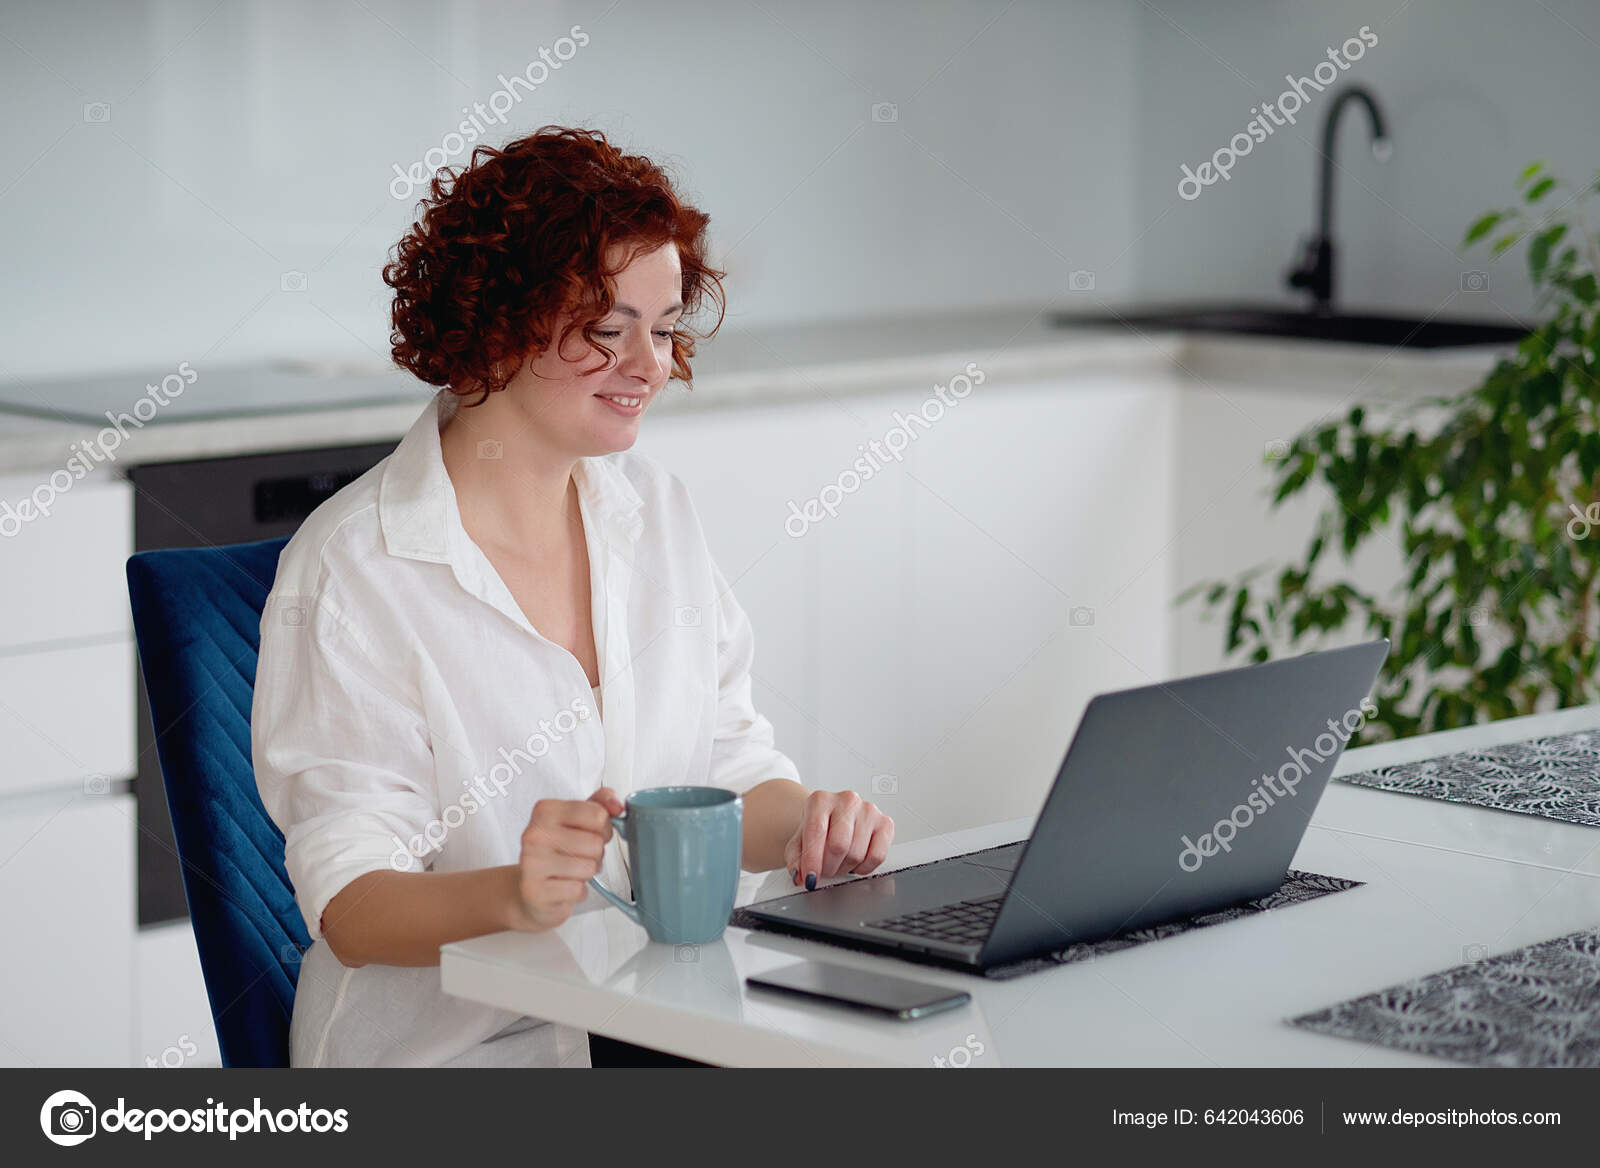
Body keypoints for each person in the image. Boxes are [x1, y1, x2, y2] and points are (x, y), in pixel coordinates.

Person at [251, 125, 894, 1067]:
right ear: (499, 319)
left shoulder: (655, 512)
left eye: (665, 329)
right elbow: (354, 902)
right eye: (607, 330)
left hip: (665, 1028)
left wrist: (807, 825)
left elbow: (728, 769)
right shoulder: (357, 567)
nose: (649, 366)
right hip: (464, 1060)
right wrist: (515, 894)